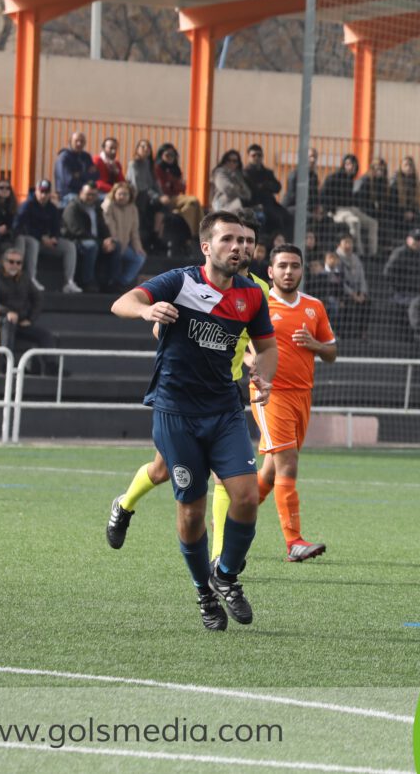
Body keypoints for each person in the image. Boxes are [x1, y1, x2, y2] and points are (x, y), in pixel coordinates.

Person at [109, 211, 277, 631]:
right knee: (190, 512)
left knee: (246, 496)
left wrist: (264, 375)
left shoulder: (253, 294)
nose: (238, 247)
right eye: (228, 239)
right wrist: (146, 311)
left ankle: (226, 575)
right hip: (176, 413)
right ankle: (204, 592)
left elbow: (267, 346)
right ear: (206, 247)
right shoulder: (180, 281)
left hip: (224, 410)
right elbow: (122, 302)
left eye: (243, 241)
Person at [250, 243, 335, 562]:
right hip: (270, 394)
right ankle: (294, 542)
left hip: (302, 395)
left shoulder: (314, 306)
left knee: (271, 472)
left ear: (302, 270)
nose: (289, 271)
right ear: (270, 271)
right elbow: (240, 344)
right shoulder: (258, 304)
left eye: (294, 266)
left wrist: (315, 345)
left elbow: (331, 352)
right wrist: (251, 362)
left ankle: (232, 518)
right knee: (288, 463)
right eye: (282, 266)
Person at [0, 247, 58, 374]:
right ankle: (7, 364)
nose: (14, 265)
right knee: (8, 323)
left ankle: (51, 367)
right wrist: (6, 312)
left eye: (18, 263)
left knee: (45, 334)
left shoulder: (25, 278)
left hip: (21, 321)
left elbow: (38, 298)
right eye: (11, 261)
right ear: (3, 262)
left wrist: (30, 319)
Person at [14, 180, 71, 292]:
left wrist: (54, 237)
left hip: (46, 242)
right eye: (41, 192)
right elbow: (21, 227)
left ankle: (69, 282)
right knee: (34, 243)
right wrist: (40, 237)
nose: (43, 195)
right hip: (29, 240)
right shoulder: (27, 205)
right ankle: (31, 278)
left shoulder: (52, 208)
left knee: (69, 246)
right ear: (36, 191)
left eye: (46, 192)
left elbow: (56, 227)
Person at [61, 184, 117, 292]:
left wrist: (108, 238)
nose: (91, 197)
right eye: (88, 194)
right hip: (77, 240)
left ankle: (111, 282)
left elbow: (103, 226)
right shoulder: (73, 208)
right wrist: (101, 242)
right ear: (81, 193)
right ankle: (87, 281)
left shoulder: (97, 208)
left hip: (95, 240)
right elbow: (77, 231)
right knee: (92, 246)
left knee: (115, 246)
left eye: (94, 195)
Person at [154, 143, 203, 250]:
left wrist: (173, 184)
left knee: (191, 207)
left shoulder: (175, 169)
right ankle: (200, 230)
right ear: (161, 155)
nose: (170, 158)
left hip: (176, 197)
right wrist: (174, 184)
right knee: (194, 200)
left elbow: (182, 187)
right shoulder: (158, 169)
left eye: (173, 155)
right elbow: (164, 188)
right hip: (167, 198)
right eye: (167, 155)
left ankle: (191, 236)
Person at [101, 181, 146, 291]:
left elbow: (134, 231)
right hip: (112, 244)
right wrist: (116, 243)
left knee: (139, 258)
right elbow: (109, 226)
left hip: (125, 246)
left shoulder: (133, 208)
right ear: (114, 194)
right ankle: (111, 283)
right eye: (119, 194)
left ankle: (122, 282)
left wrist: (138, 247)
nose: (122, 197)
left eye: (125, 194)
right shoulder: (108, 206)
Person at [242, 144, 288, 242]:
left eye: (259, 155)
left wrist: (265, 185)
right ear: (249, 157)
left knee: (285, 216)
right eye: (253, 155)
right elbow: (251, 191)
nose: (256, 158)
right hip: (254, 205)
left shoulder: (268, 172)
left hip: (270, 204)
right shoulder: (245, 173)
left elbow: (277, 187)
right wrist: (265, 186)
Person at [127, 139, 165, 252]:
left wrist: (161, 195)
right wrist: (156, 197)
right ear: (137, 149)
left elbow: (153, 183)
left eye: (148, 147)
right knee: (146, 203)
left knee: (163, 207)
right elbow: (138, 185)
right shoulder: (134, 164)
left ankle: (156, 236)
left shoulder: (149, 164)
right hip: (137, 195)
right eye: (142, 147)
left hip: (148, 195)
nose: (145, 149)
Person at [384, 229, 420, 303]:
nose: (418, 242)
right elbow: (388, 271)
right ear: (408, 239)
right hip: (400, 293)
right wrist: (396, 287)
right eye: (416, 239)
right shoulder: (399, 253)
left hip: (415, 292)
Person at [53, 132, 98, 204]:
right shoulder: (64, 158)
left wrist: (80, 175)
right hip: (68, 193)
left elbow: (95, 176)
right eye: (76, 141)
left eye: (82, 141)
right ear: (70, 142)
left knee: (103, 200)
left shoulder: (86, 156)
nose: (79, 143)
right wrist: (86, 183)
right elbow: (69, 181)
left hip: (86, 193)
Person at [209, 149, 250, 215]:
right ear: (225, 161)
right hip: (222, 204)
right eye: (229, 160)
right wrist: (240, 189)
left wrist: (239, 189)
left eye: (234, 161)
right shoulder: (220, 172)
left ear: (238, 163)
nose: (231, 163)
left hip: (237, 204)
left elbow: (247, 193)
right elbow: (226, 188)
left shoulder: (238, 174)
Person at [391, 156, 420, 235]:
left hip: (412, 214)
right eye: (406, 165)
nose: (408, 167)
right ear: (401, 167)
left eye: (410, 165)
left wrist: (412, 213)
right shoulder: (395, 181)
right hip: (397, 214)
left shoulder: (416, 183)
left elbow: (417, 203)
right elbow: (392, 202)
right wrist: (403, 213)